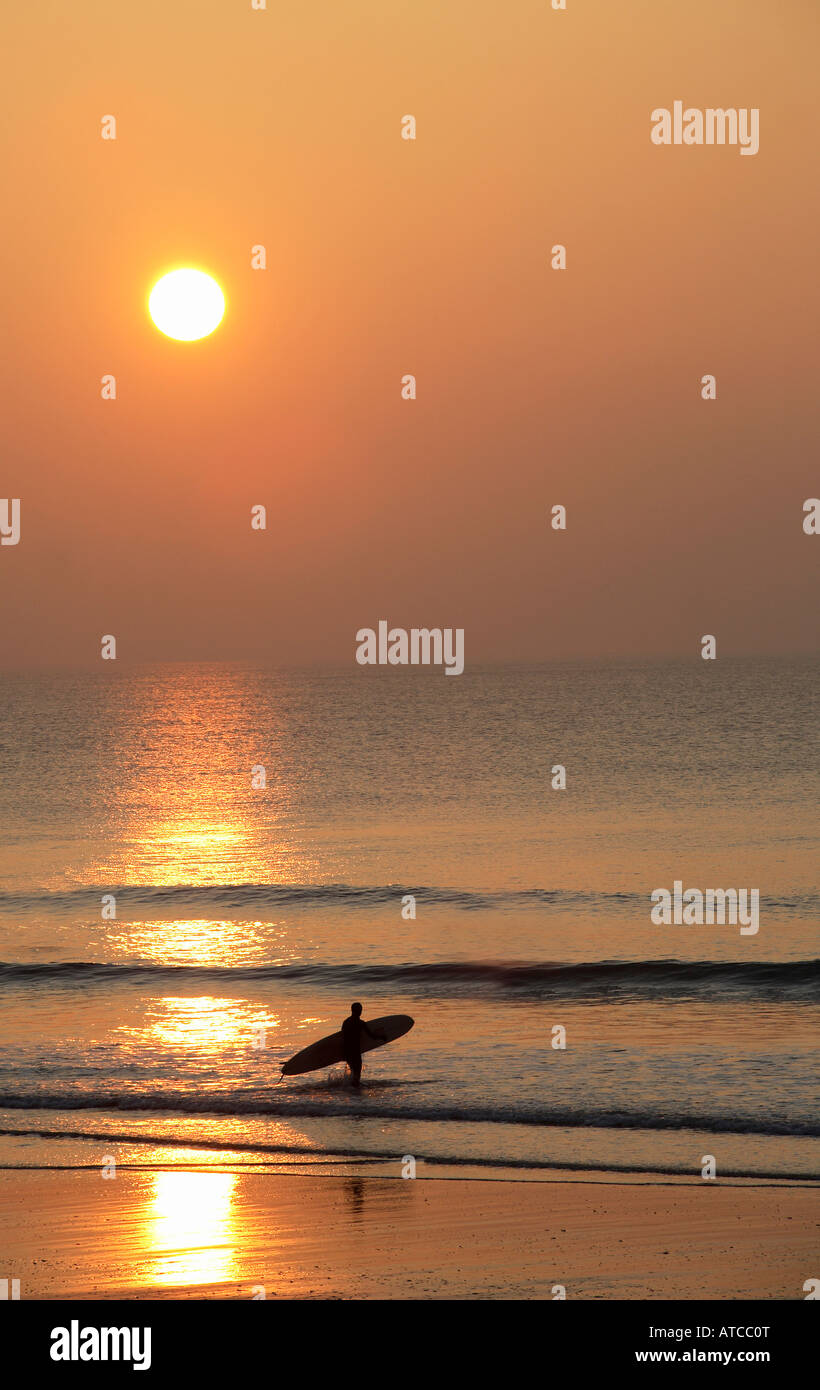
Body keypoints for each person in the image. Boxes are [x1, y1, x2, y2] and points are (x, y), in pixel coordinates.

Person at [341, 1002, 382, 1087]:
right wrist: (382, 1037)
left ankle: (350, 1090)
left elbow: (342, 1038)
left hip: (347, 1051)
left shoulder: (346, 1022)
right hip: (355, 1051)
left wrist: (343, 1053)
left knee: (353, 1072)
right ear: (359, 1011)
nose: (361, 1012)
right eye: (360, 1010)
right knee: (357, 1075)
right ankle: (355, 1091)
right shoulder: (361, 1023)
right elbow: (372, 1036)